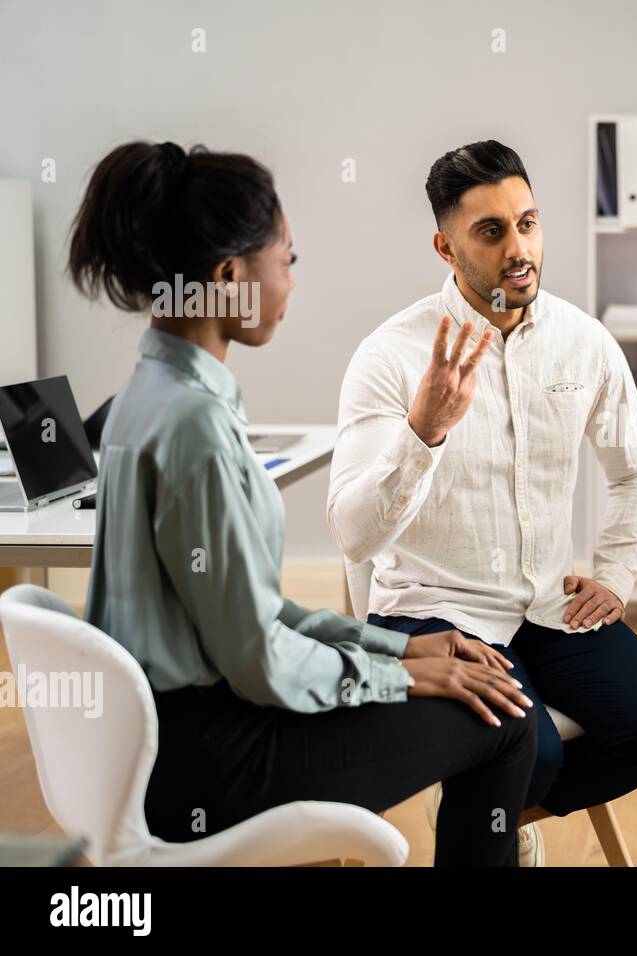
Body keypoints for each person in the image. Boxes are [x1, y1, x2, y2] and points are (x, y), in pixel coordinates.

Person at [73, 141, 536, 867]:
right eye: (285, 259)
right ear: (230, 276)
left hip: (161, 738)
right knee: (509, 724)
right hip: (211, 760)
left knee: (481, 699)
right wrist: (404, 675)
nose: (291, 281)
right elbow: (258, 658)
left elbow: (251, 613)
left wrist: (398, 645)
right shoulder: (193, 425)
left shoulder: (146, 392)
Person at [327, 140, 637, 862]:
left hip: (546, 604)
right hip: (438, 610)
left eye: (528, 223)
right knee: (533, 750)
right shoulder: (392, 356)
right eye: (491, 231)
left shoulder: (583, 342)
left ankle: (492, 814)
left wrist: (615, 574)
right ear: (445, 245)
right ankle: (488, 812)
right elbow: (353, 534)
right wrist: (423, 431)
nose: (518, 248)